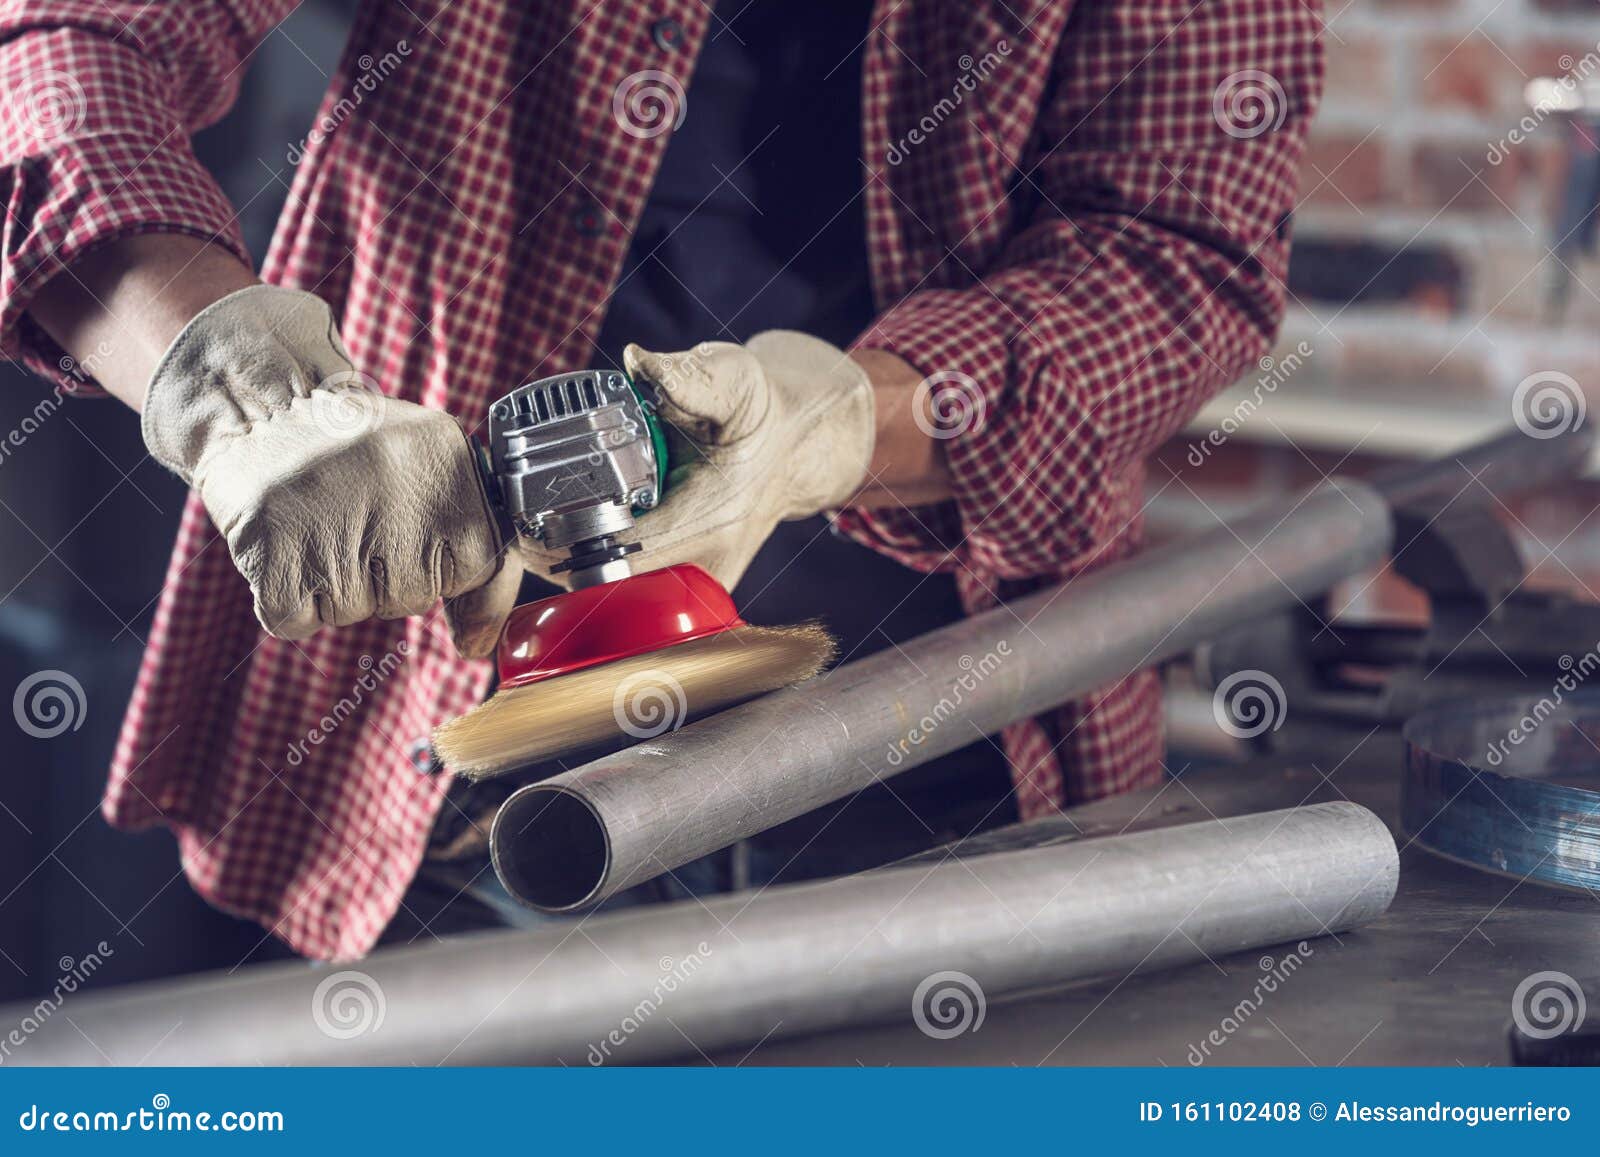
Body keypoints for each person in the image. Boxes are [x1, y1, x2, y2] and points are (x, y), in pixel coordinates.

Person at [0, 0, 1323, 960]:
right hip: (449, 747)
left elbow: (1179, 252)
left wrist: (841, 420)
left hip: (947, 749)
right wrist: (233, 380)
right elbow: (60, 42)